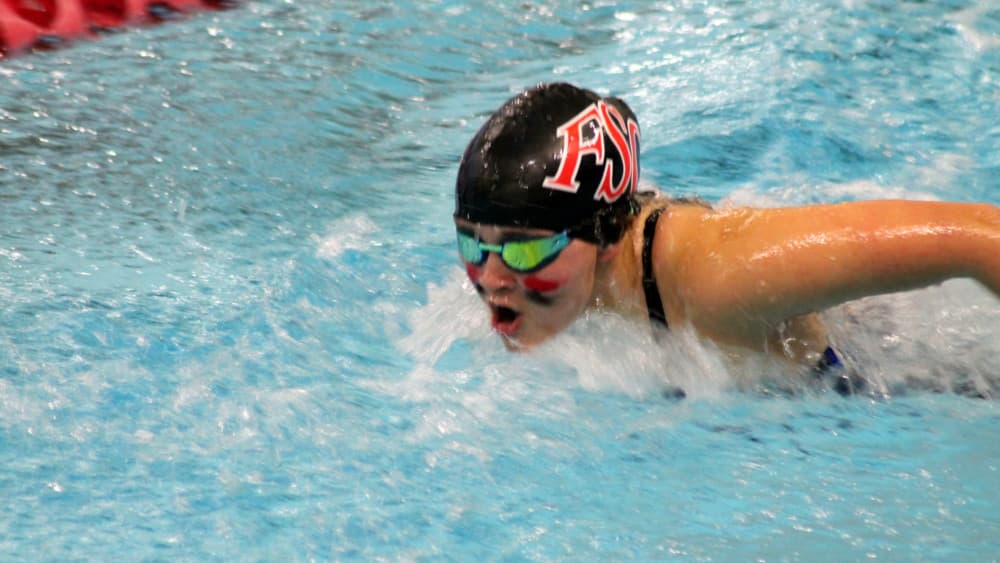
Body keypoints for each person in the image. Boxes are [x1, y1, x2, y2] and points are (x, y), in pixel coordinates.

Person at [452, 82, 1000, 388]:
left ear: (608, 235)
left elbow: (979, 236)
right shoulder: (549, 282)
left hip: (921, 372)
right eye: (474, 243)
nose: (491, 278)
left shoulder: (721, 276)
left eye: (524, 247)